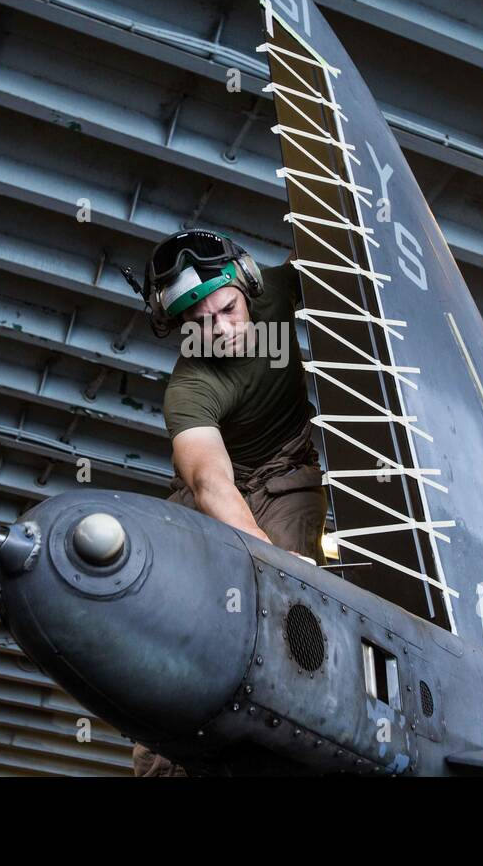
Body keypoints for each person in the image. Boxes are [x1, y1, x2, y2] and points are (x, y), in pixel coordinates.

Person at [122, 229, 327, 777]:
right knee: (178, 627)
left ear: (248, 285)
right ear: (180, 329)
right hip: (212, 494)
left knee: (290, 607)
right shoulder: (189, 390)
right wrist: (258, 551)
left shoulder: (276, 292)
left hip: (286, 475)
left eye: (229, 309)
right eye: (201, 323)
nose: (222, 329)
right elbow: (212, 483)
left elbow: (323, 251)